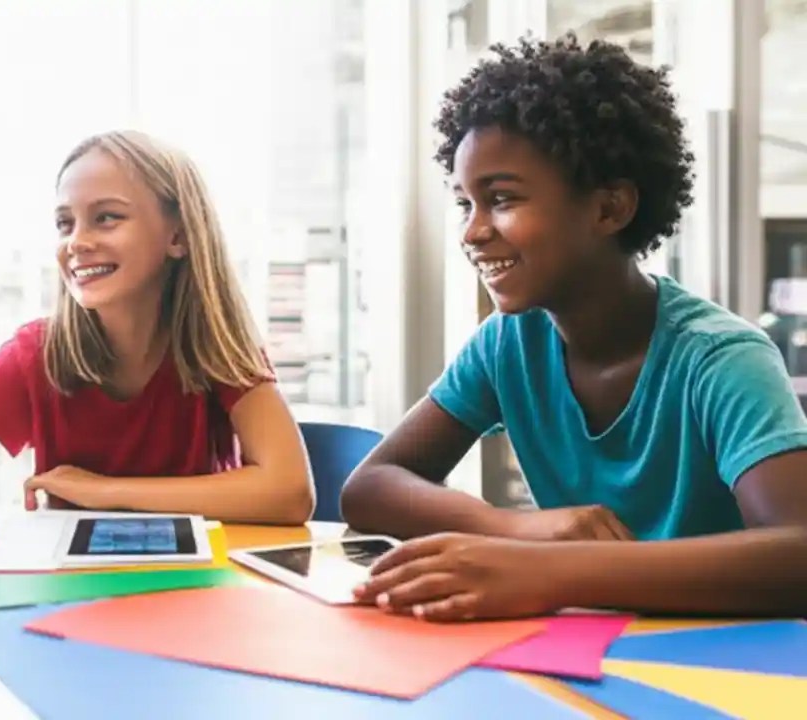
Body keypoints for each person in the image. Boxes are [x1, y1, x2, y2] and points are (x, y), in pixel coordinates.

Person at [343, 35, 807, 620]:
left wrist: (548, 572)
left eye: (502, 199)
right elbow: (371, 485)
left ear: (609, 209)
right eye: (466, 203)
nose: (472, 232)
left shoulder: (722, 360)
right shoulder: (509, 343)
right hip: (587, 654)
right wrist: (514, 528)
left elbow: (799, 554)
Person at [0, 130, 313, 555]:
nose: (77, 242)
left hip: (199, 591)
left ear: (178, 235)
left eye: (106, 218)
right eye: (64, 223)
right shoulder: (37, 356)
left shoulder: (215, 345)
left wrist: (104, 491)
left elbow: (291, 493)